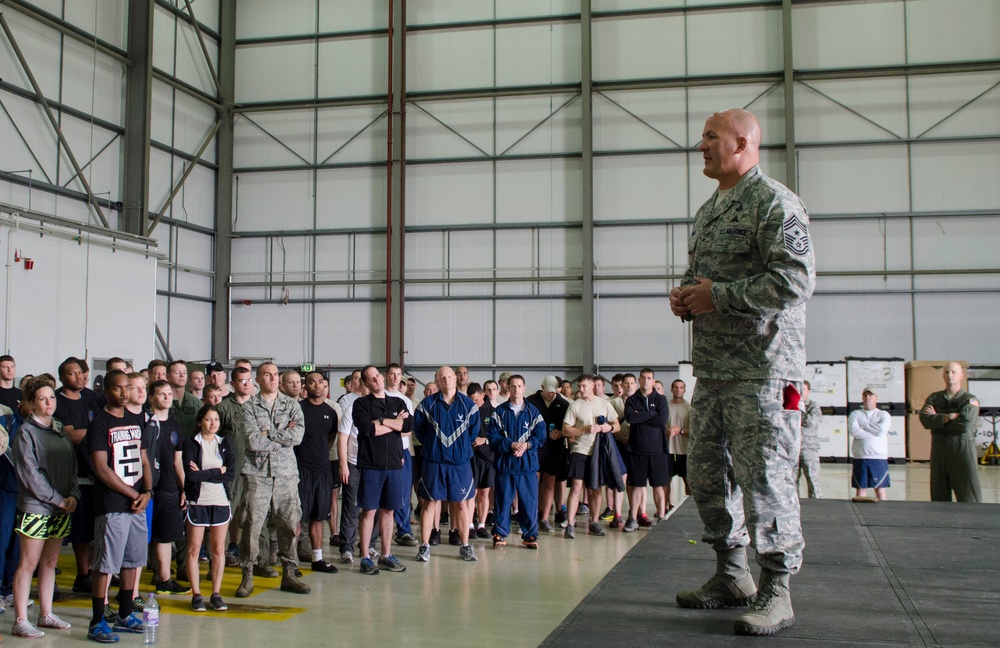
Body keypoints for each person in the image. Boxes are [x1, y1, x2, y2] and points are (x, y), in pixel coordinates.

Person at [669, 108, 815, 636]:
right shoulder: (710, 211)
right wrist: (686, 295)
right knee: (707, 476)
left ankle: (777, 588)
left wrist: (719, 297)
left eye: (711, 136)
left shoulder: (775, 202)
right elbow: (701, 278)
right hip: (715, 370)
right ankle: (733, 575)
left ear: (743, 142)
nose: (701, 145)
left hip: (765, 372)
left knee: (766, 481)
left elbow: (794, 281)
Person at [86, 369, 153, 642]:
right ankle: (97, 621)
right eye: (117, 388)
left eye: (127, 387)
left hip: (138, 503)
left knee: (132, 561)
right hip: (113, 503)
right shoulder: (100, 422)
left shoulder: (136, 421)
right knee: (106, 564)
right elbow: (101, 468)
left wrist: (147, 491)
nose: (124, 393)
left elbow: (145, 459)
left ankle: (125, 615)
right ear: (106, 391)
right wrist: (131, 493)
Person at [9, 377, 79, 638]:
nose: (49, 402)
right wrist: (57, 499)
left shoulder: (59, 429)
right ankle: (20, 620)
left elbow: (72, 465)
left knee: (50, 563)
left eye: (52, 397)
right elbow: (30, 474)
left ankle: (46, 614)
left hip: (62, 507)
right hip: (37, 507)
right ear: (30, 404)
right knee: (29, 563)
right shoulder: (26, 433)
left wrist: (73, 495)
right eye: (42, 399)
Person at [236, 362, 309, 597]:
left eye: (276, 374)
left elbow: (297, 437)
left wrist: (269, 434)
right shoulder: (248, 407)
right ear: (258, 379)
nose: (273, 378)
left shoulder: (292, 405)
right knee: (251, 525)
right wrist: (281, 436)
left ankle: (289, 573)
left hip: (286, 474)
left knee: (289, 523)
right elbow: (253, 442)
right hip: (257, 473)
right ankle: (247, 574)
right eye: (267, 375)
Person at [413, 366, 480, 563]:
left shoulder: (469, 405)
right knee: (429, 503)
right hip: (434, 463)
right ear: (437, 381)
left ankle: (465, 545)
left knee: (461, 504)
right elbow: (419, 430)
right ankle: (424, 545)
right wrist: (434, 446)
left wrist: (459, 448)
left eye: (450, 376)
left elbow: (473, 432)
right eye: (442, 377)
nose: (447, 380)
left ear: (455, 379)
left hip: (460, 464)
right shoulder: (427, 405)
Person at [352, 366, 412, 575]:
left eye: (377, 376)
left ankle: (386, 555)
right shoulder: (360, 405)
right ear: (366, 383)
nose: (376, 380)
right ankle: (365, 557)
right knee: (369, 511)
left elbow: (408, 426)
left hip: (395, 466)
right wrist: (395, 424)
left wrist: (382, 421)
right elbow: (369, 430)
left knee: (389, 511)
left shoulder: (397, 401)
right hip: (371, 466)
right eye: (371, 379)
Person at [182, 405, 235, 612]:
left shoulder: (224, 444)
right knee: (194, 549)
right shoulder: (191, 444)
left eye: (216, 420)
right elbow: (191, 475)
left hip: (220, 501)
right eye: (208, 419)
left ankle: (216, 593)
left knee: (218, 549)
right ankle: (196, 594)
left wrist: (206, 471)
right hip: (198, 501)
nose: (213, 423)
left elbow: (229, 473)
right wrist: (216, 470)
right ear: (199, 422)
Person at [559, 374, 621, 539]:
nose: (581, 389)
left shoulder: (605, 404)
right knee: (576, 488)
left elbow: (617, 426)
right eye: (579, 386)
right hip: (580, 451)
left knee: (595, 488)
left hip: (598, 452)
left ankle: (594, 522)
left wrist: (607, 428)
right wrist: (584, 429)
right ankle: (570, 524)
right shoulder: (575, 405)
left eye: (584, 386)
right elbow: (565, 430)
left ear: (593, 385)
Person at [487, 375, 546, 550]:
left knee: (529, 501)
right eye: (513, 386)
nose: (516, 389)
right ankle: (499, 534)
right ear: (508, 388)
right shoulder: (499, 412)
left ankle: (530, 535)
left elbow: (541, 435)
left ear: (524, 388)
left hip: (527, 465)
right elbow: (493, 436)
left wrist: (527, 445)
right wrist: (511, 444)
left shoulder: (533, 412)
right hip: (506, 465)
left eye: (519, 386)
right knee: (503, 501)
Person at [147, 381, 189, 595]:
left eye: (169, 394)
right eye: (161, 394)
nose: (166, 397)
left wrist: (184, 488)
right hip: (144, 488)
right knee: (141, 536)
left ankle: (164, 579)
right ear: (151, 397)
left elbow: (177, 462)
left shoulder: (175, 425)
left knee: (166, 536)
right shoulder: (144, 422)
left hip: (168, 487)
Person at [294, 373, 339, 573]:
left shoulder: (331, 412)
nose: (317, 386)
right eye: (312, 382)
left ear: (325, 386)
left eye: (320, 382)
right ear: (307, 386)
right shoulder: (298, 409)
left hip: (323, 470)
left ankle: (317, 559)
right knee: (296, 518)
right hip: (300, 470)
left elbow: (330, 439)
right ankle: (291, 561)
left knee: (318, 516)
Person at [920, 362, 982, 503]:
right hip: (939, 450)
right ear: (943, 375)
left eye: (954, 372)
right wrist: (948, 417)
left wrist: (937, 419)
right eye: (947, 372)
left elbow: (964, 425)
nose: (950, 375)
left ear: (961, 375)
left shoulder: (970, 400)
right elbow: (925, 420)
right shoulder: (934, 398)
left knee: (969, 496)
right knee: (938, 495)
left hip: (962, 449)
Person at [623, 369, 670, 531]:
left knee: (658, 486)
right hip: (637, 450)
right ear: (639, 380)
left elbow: (662, 419)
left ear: (653, 381)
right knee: (636, 486)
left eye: (649, 378)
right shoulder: (631, 400)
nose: (646, 381)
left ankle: (662, 518)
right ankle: (632, 518)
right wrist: (651, 414)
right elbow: (631, 418)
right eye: (643, 378)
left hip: (657, 450)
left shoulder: (661, 399)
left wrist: (641, 415)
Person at [527, 376, 570, 533]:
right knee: (533, 481)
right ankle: (532, 517)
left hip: (554, 448)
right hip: (536, 448)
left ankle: (544, 518)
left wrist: (561, 433)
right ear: (541, 388)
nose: (551, 395)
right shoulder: (531, 401)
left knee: (550, 481)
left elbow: (569, 426)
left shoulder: (564, 404)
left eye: (553, 392)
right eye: (547, 391)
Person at [848, 389, 891, 502]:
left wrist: (863, 426)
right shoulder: (855, 414)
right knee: (860, 491)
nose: (867, 398)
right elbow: (853, 431)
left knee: (880, 491)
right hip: (860, 458)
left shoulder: (883, 414)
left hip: (878, 458)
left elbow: (882, 430)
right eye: (865, 395)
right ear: (862, 398)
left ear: (876, 398)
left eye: (870, 395)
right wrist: (873, 432)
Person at [667, 379, 691, 498]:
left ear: (684, 390)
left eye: (681, 387)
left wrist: (681, 431)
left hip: (684, 450)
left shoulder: (689, 407)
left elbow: (694, 431)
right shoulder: (666, 406)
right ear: (671, 389)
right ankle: (666, 508)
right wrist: (667, 432)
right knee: (666, 481)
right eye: (676, 387)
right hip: (668, 450)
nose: (678, 390)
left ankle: (689, 506)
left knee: (688, 481)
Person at [797, 381, 822, 499]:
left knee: (813, 480)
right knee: (791, 481)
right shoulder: (790, 405)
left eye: (804, 389)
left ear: (809, 391)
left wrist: (795, 417)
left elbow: (810, 422)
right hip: (793, 448)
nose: (801, 391)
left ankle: (817, 508)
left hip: (809, 448)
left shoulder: (813, 406)